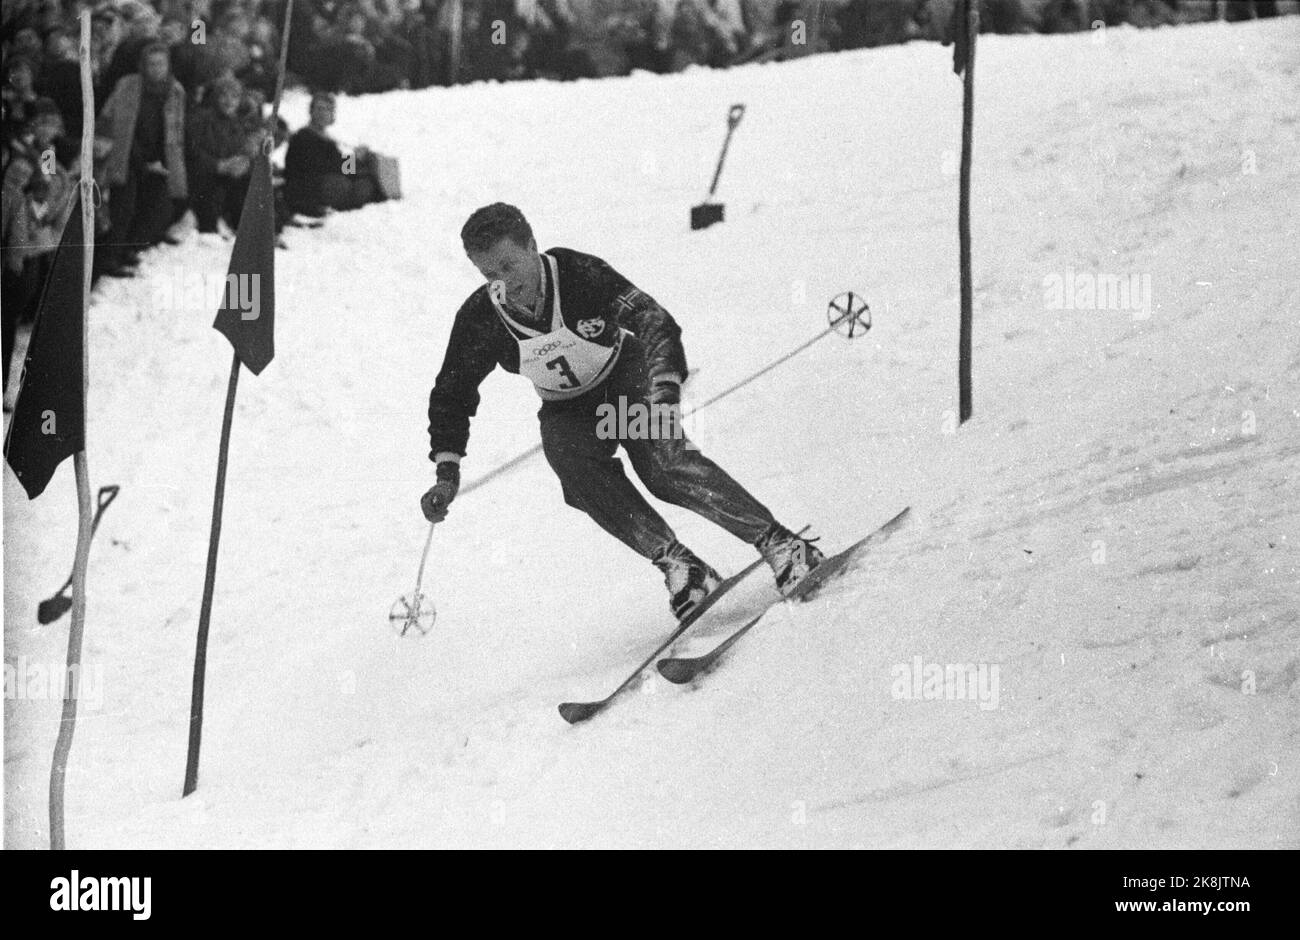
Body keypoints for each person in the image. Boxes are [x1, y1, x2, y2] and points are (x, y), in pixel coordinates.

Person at [420, 203, 824, 621]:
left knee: (662, 467)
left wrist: (665, 382)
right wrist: (446, 472)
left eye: (509, 264)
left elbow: (651, 318)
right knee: (572, 466)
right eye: (490, 274)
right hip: (568, 411)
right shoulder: (481, 318)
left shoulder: (579, 275)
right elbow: (452, 391)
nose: (505, 283)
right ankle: (682, 566)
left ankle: (781, 543)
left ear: (533, 246)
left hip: (624, 381)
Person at [94, 40, 188, 277]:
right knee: (123, 206)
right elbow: (114, 124)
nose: (157, 68)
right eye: (152, 64)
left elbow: (174, 132)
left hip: (157, 159)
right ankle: (109, 258)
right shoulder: (127, 86)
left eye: (161, 64)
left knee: (161, 206)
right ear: (143, 66)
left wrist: (164, 164)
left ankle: (129, 247)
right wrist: (143, 162)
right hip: (125, 156)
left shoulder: (175, 91)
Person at [283, 91, 383, 217]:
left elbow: (344, 169)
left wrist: (359, 161)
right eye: (319, 109)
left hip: (324, 184)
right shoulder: (304, 137)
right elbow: (325, 167)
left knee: (365, 179)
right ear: (311, 112)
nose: (323, 113)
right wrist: (353, 159)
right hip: (308, 190)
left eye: (328, 109)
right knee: (344, 185)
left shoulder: (326, 138)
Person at [186, 74, 260, 234]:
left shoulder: (237, 124)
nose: (229, 101)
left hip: (228, 177)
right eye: (224, 95)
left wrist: (244, 162)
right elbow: (192, 152)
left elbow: (241, 151)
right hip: (203, 177)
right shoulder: (201, 119)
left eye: (234, 97)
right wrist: (218, 166)